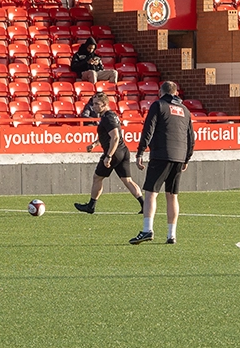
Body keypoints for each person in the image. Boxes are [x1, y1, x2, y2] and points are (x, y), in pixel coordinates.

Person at [130, 80, 195, 246]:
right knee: (172, 195)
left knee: (151, 193)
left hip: (161, 154)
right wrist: (187, 158)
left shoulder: (158, 105)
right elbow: (191, 137)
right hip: (179, 156)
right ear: (176, 93)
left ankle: (147, 230)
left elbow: (148, 129)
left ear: (161, 92)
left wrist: (140, 151)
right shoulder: (185, 110)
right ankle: (171, 235)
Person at [74, 90, 144, 215]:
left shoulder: (108, 117)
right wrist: (95, 144)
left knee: (97, 177)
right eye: (93, 103)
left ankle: (91, 206)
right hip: (123, 151)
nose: (94, 106)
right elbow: (107, 135)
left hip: (114, 153)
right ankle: (145, 205)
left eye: (97, 104)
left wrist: (109, 156)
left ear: (105, 104)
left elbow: (115, 137)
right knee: (127, 180)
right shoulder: (110, 116)